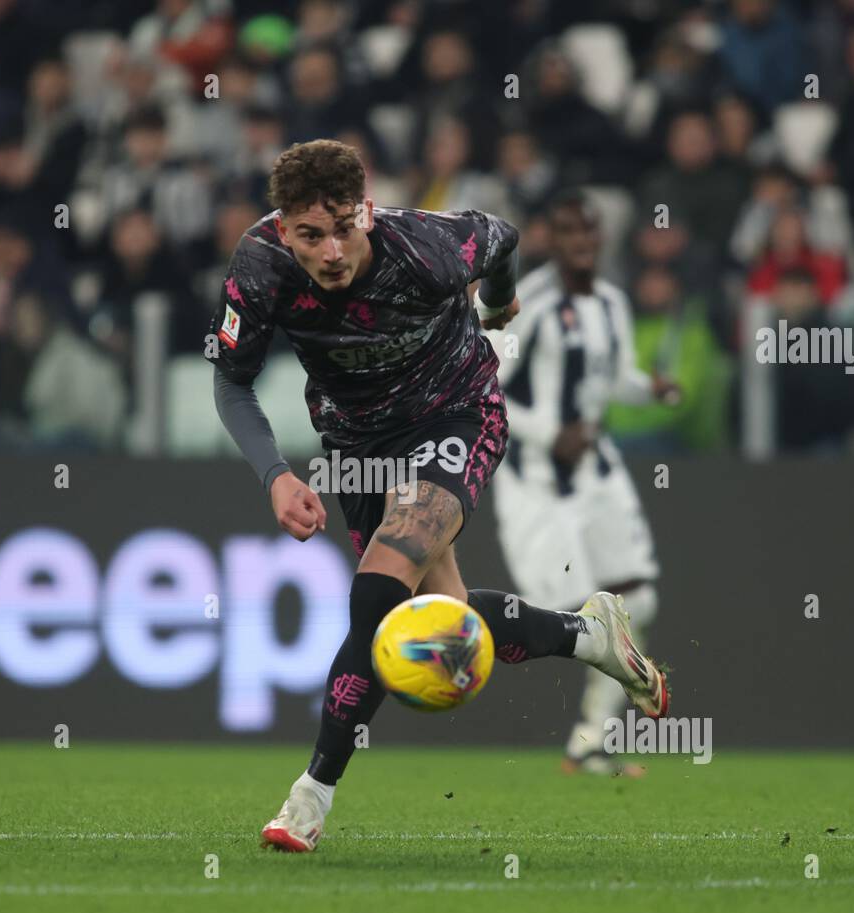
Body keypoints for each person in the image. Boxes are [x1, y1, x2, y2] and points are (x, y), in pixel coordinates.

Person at [207, 140, 669, 852]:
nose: (331, 251)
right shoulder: (260, 266)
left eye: (345, 228)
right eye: (310, 235)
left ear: (367, 210)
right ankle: (588, 634)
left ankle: (311, 795)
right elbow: (232, 379)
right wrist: (276, 473)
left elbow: (502, 238)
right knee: (442, 623)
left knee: (374, 596)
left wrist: (499, 299)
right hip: (357, 446)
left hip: (456, 413)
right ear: (282, 227)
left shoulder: (421, 246)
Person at [487, 190, 680, 775]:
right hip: (536, 482)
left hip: (597, 472)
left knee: (637, 597)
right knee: (568, 617)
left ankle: (592, 741)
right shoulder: (528, 305)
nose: (582, 241)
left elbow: (613, 376)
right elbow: (484, 384)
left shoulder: (612, 304)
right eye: (569, 230)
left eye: (589, 230)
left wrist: (650, 389)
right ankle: (581, 735)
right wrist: (548, 433)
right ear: (551, 237)